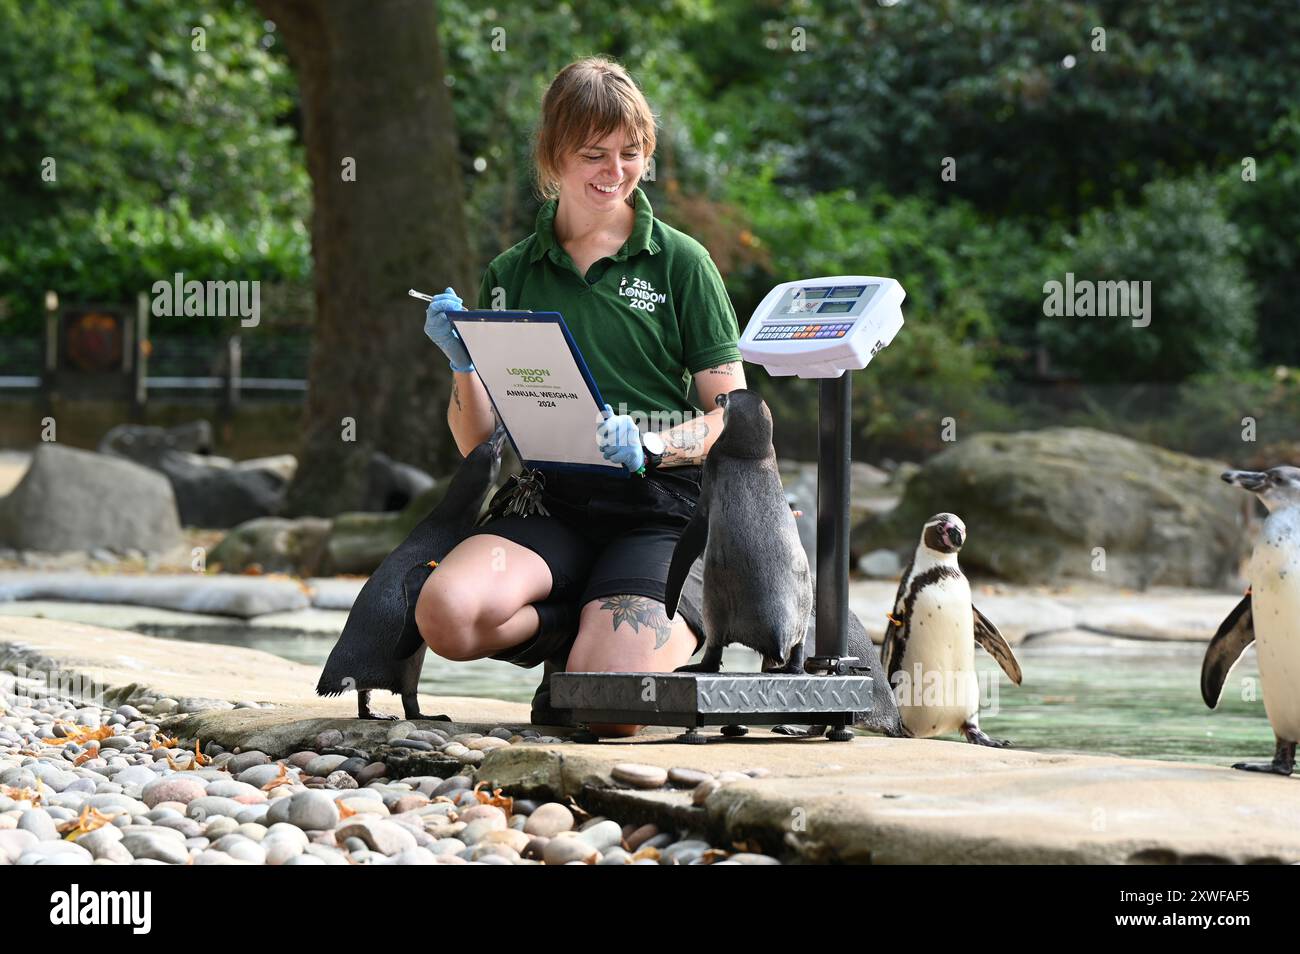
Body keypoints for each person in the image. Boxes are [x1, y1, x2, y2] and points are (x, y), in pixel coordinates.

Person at [414, 56, 746, 736]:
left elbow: (735, 417)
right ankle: (572, 630)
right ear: (553, 156)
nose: (614, 172)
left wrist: (654, 443)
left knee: (610, 709)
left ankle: (645, 627)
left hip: (662, 509)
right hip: (553, 502)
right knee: (444, 613)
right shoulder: (512, 271)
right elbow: (479, 443)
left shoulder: (681, 262)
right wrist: (462, 364)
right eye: (593, 154)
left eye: (630, 154)